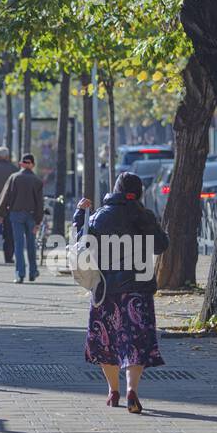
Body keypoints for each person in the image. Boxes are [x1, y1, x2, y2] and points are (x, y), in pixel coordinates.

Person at [74, 172, 169, 414]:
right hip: (139, 290)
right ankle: (132, 390)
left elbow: (82, 243)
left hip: (106, 290)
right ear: (139, 192)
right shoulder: (144, 216)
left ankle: (112, 390)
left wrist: (79, 216)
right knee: (136, 341)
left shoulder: (99, 217)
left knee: (105, 339)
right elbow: (161, 245)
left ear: (115, 189)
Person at [0, 153, 44, 283]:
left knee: (18, 244)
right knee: (31, 244)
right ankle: (33, 271)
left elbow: (4, 196)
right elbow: (40, 203)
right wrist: (38, 221)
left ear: (21, 164)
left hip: (16, 214)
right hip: (32, 215)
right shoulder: (37, 181)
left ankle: (20, 274)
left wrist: (0, 214)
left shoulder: (14, 178)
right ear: (32, 165)